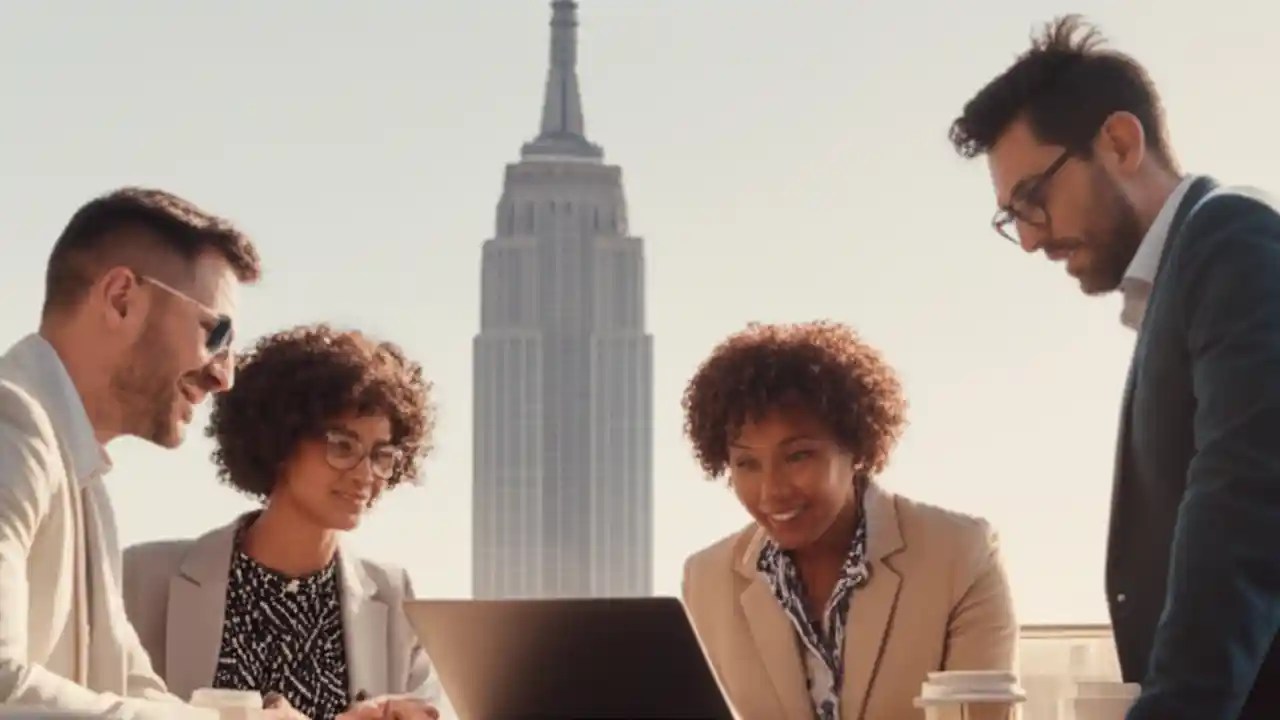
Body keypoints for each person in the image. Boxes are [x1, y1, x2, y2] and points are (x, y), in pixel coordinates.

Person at [948, 15, 1280, 719]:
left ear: (1120, 142)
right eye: (1013, 217)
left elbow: (1246, 501)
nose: (1031, 239)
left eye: (1033, 199)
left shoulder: (1230, 240)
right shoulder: (1185, 275)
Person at [0, 187, 294, 718]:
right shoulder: (11, 432)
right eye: (215, 332)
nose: (224, 375)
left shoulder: (83, 480)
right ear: (121, 298)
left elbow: (134, 694)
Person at [679, 321, 1017, 720]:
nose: (771, 492)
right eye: (747, 463)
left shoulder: (959, 554)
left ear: (856, 448)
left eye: (798, 456)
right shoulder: (707, 579)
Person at [122, 324, 441, 720]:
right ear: (280, 440)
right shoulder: (144, 578)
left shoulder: (395, 597)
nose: (365, 474)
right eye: (343, 447)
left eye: (381, 456)